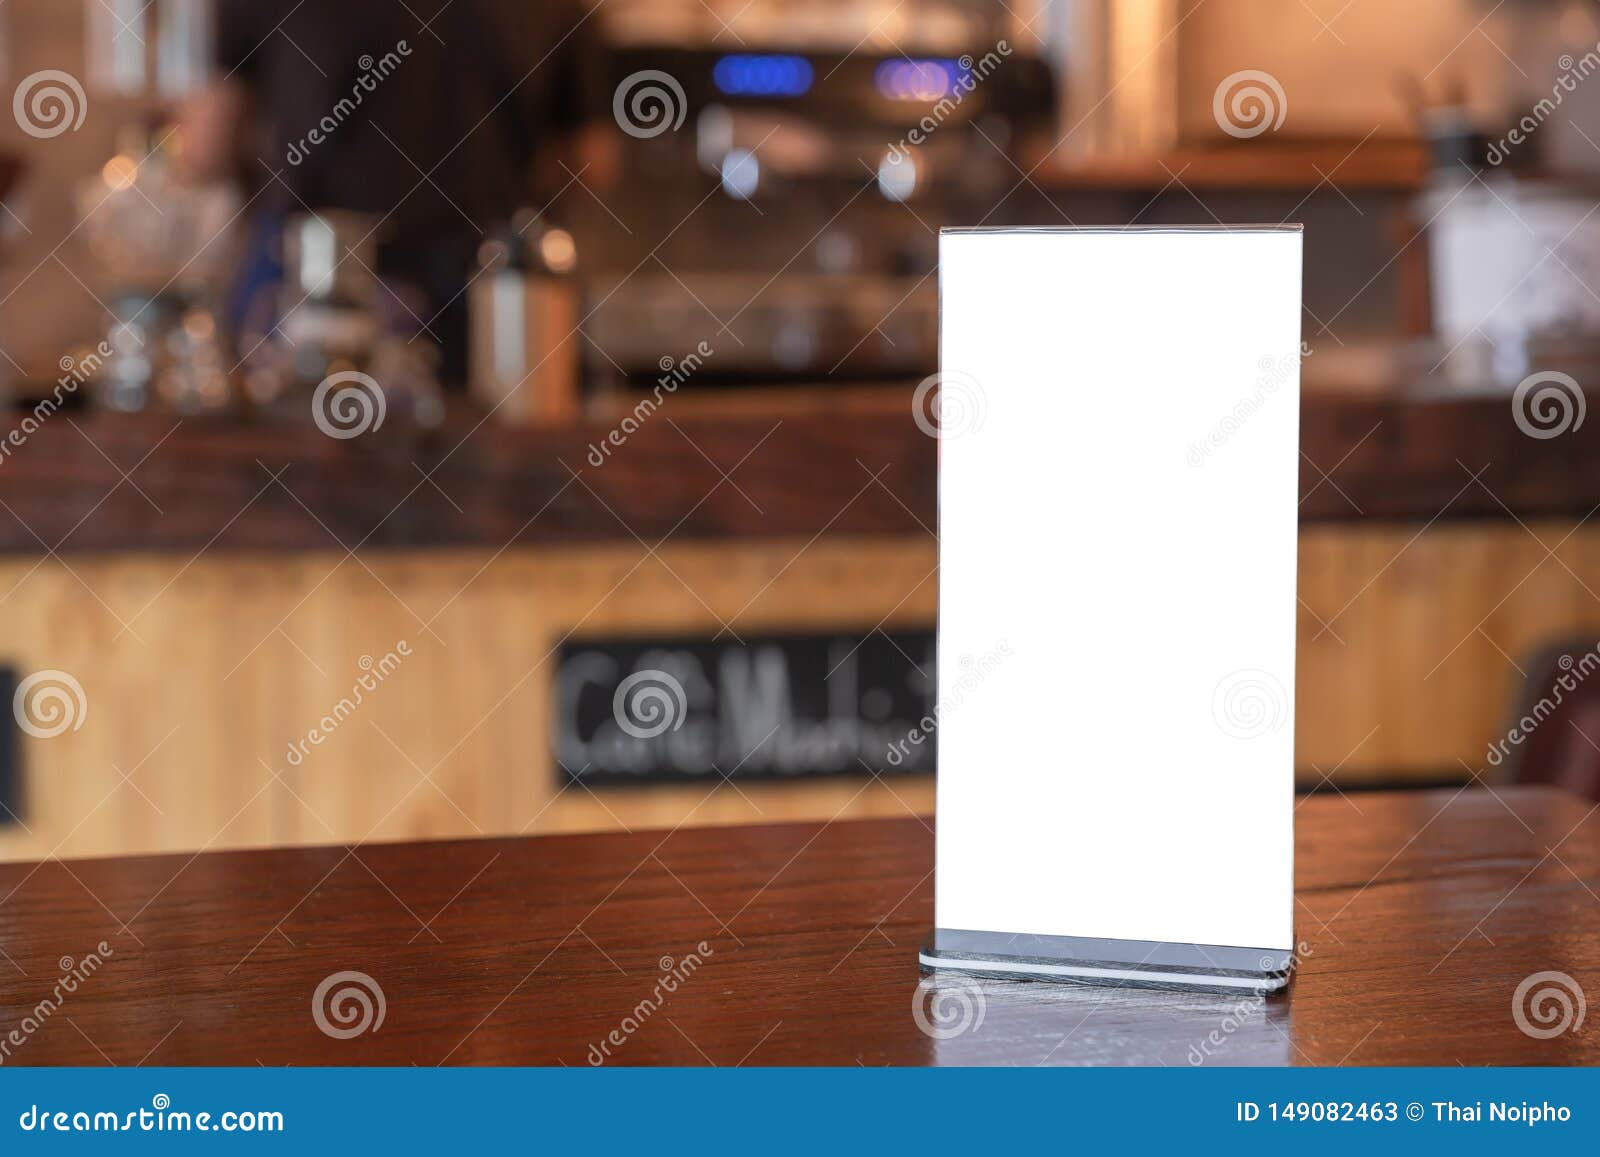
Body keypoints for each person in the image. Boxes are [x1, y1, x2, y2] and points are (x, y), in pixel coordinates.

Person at [179, 0, 612, 385]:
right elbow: (592, 161)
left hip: (312, 293)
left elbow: (207, 147)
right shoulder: (562, 8)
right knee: (482, 462)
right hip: (486, 296)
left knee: (289, 462)